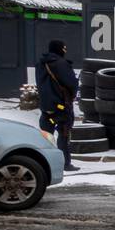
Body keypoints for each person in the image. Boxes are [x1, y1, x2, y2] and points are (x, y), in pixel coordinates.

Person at [36, 39, 78, 171]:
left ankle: (45, 163)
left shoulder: (40, 64)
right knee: (64, 135)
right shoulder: (61, 64)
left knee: (46, 137)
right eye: (64, 49)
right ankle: (65, 163)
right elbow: (71, 84)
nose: (65, 51)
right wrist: (71, 95)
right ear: (60, 49)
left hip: (45, 106)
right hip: (61, 106)